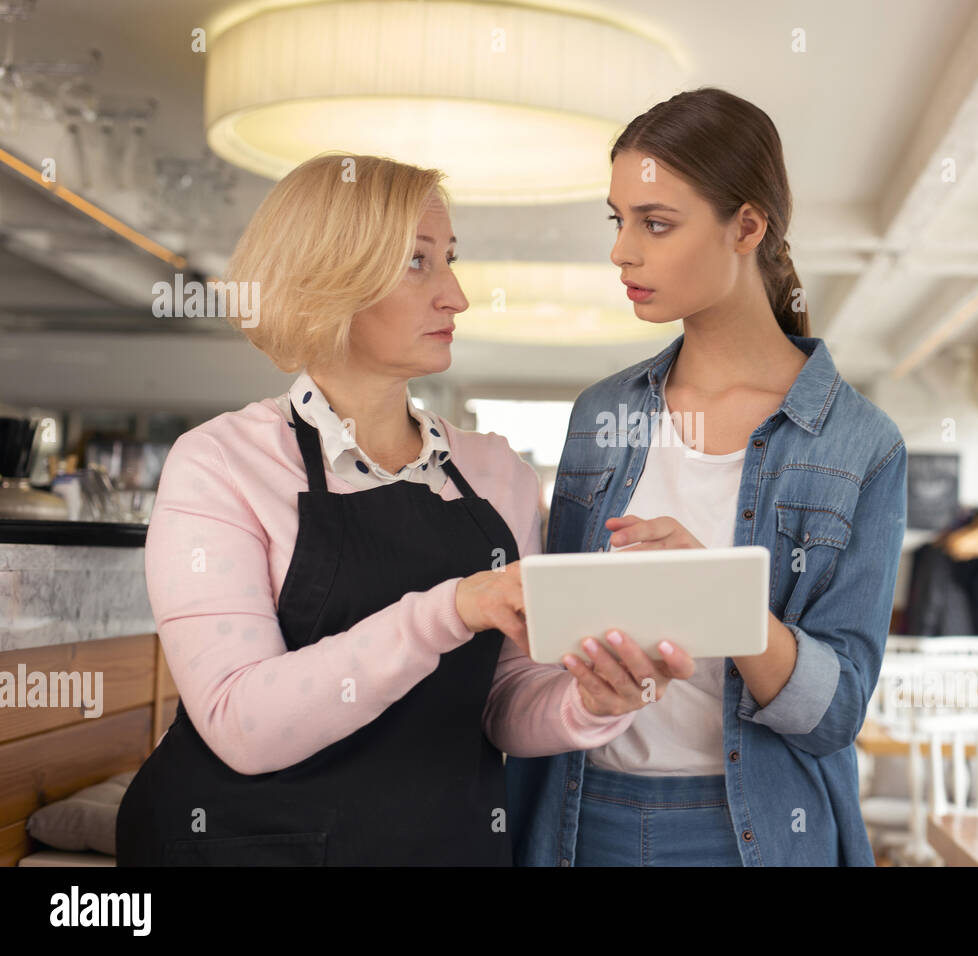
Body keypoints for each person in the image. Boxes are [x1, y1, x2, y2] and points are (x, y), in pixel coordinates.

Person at [115, 154, 694, 866]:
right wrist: (448, 610)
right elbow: (242, 723)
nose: (455, 296)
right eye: (418, 263)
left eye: (448, 260)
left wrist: (592, 705)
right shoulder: (221, 463)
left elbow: (501, 700)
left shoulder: (495, 474)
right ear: (331, 279)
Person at [506, 88, 908, 866]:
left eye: (656, 223)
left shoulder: (862, 444)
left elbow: (837, 713)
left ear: (747, 227)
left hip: (752, 829)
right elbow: (550, 648)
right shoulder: (600, 415)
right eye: (618, 220)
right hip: (581, 817)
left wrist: (716, 597)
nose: (624, 251)